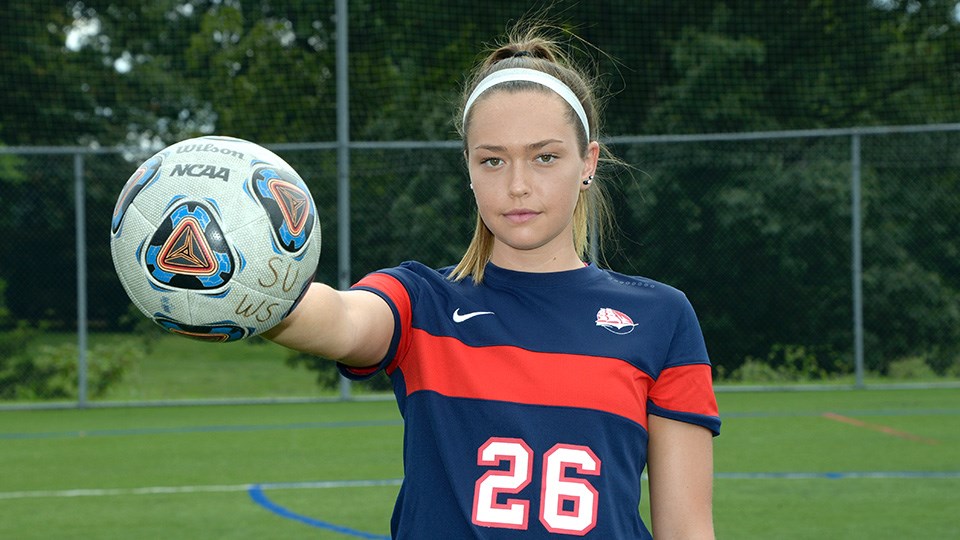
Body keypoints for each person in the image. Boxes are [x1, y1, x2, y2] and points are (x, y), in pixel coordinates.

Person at [266, 24, 721, 540]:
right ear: (469, 167)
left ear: (588, 162)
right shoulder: (421, 302)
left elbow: (686, 528)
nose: (518, 184)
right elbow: (341, 320)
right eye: (492, 160)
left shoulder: (661, 318)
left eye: (544, 156)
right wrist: (244, 292)